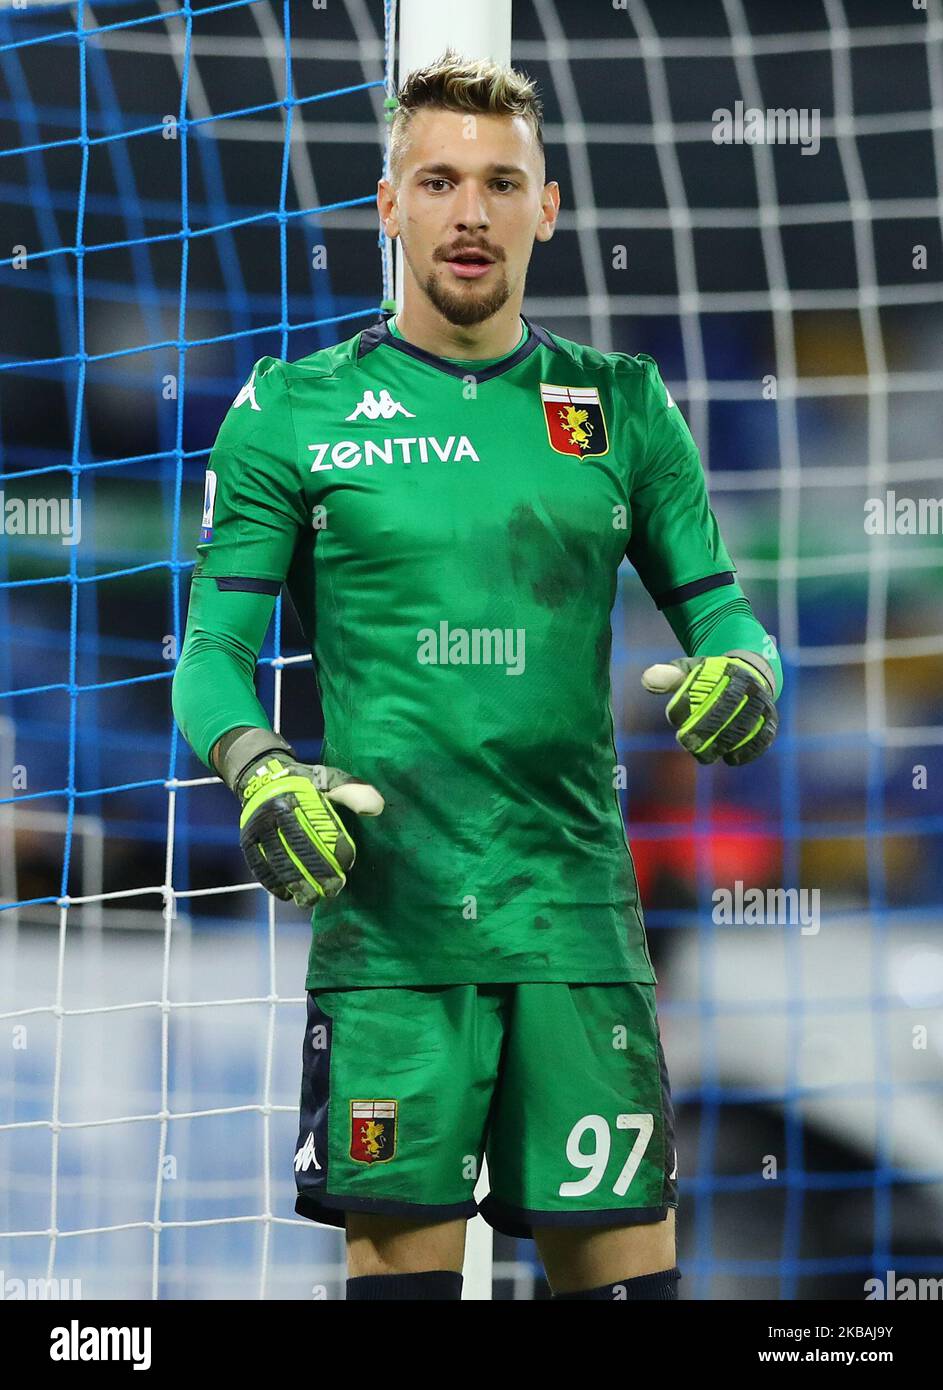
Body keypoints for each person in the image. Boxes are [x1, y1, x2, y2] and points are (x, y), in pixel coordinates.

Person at [172, 48, 782, 1302]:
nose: (470, 211)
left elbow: (728, 619)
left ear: (546, 209)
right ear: (386, 207)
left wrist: (746, 674)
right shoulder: (291, 411)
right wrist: (258, 769)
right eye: (438, 181)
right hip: (391, 936)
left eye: (501, 183)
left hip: (577, 932)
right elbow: (213, 660)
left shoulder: (619, 406)